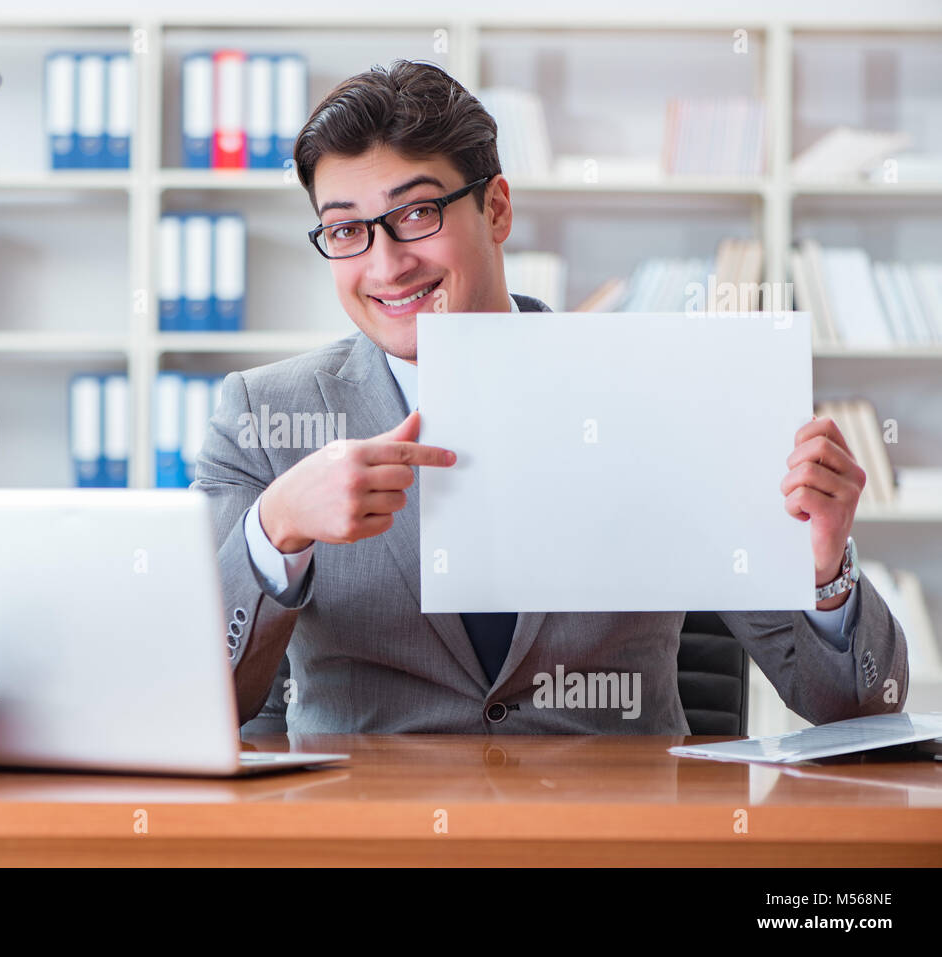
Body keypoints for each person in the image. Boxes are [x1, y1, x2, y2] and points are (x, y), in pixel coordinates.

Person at [191, 59, 908, 734]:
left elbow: (855, 704)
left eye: (416, 214)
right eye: (347, 229)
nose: (386, 263)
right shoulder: (262, 420)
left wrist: (824, 571)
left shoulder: (663, 390)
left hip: (612, 832)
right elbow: (198, 702)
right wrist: (275, 528)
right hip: (375, 836)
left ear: (496, 209)